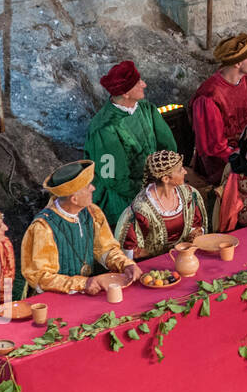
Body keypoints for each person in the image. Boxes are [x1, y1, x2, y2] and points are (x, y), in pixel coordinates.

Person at [21, 160, 140, 295]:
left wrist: (125, 264)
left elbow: (106, 250)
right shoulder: (43, 227)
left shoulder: (92, 212)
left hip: (88, 291)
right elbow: (41, 278)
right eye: (87, 186)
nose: (93, 188)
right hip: (55, 299)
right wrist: (84, 283)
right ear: (74, 199)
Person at [83, 59, 178, 228]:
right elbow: (112, 178)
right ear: (126, 93)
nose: (144, 84)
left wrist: (168, 174)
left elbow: (168, 145)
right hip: (125, 199)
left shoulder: (146, 108)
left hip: (156, 184)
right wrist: (150, 193)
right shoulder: (104, 129)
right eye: (138, 82)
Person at [190, 33, 247, 185]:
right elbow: (214, 147)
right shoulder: (209, 96)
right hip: (222, 162)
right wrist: (244, 160)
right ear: (238, 63)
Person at [113, 150, 208, 260]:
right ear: (166, 178)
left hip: (185, 256)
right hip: (154, 265)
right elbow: (131, 249)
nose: (185, 172)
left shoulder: (189, 194)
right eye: (180, 170)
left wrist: (194, 237)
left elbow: (196, 225)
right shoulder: (142, 209)